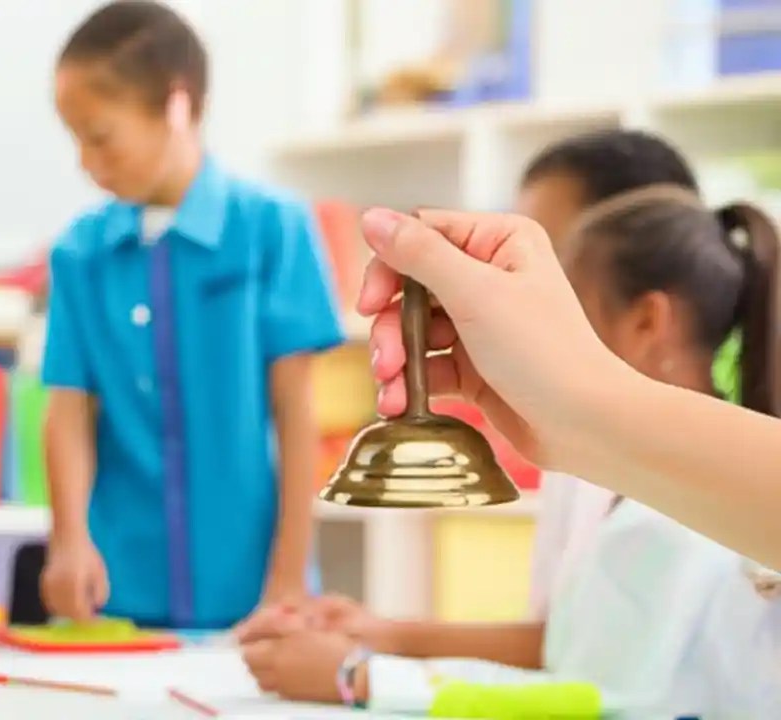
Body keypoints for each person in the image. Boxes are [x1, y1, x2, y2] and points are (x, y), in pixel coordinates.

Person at [239, 186, 781, 715]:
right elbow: (570, 657)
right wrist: (379, 637)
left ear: (647, 321)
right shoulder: (650, 500)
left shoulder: (681, 525)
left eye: (571, 313)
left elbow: (603, 702)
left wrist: (361, 676)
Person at [39, 0, 345, 630]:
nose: (86, 163)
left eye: (100, 137)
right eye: (75, 140)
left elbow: (295, 412)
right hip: (121, 594)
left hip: (251, 590)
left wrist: (288, 576)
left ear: (176, 106)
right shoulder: (78, 254)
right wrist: (69, 540)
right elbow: (68, 409)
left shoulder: (274, 229)